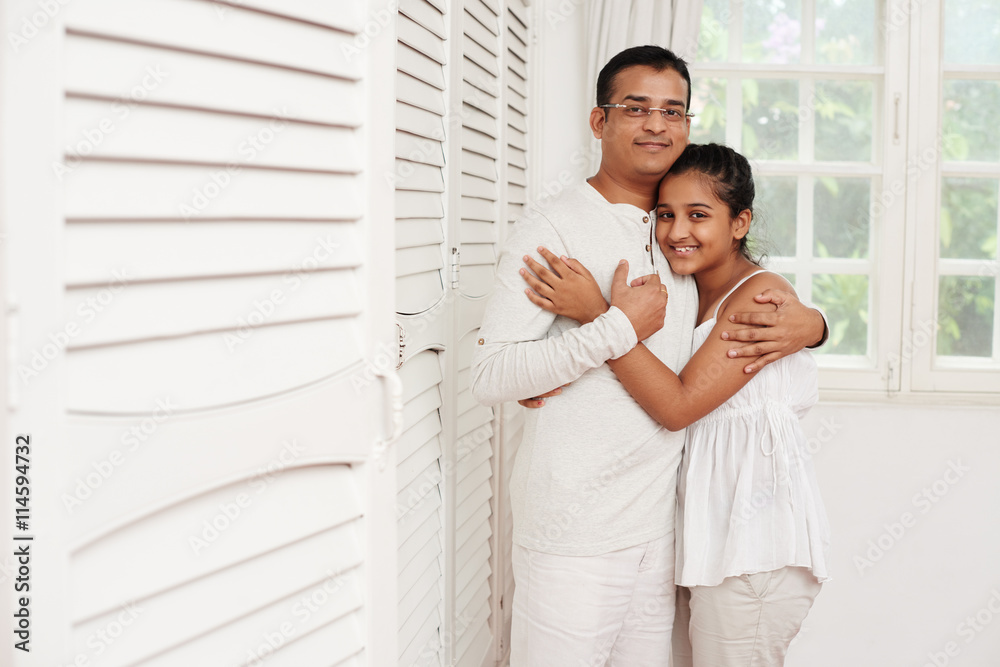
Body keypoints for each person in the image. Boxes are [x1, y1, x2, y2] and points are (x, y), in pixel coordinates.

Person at [470, 45, 827, 666]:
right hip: (573, 533)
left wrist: (817, 325)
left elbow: (742, 313)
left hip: (663, 535)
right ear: (599, 121)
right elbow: (492, 374)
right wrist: (608, 327)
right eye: (635, 107)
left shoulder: (678, 234)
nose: (657, 124)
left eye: (674, 111)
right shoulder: (552, 231)